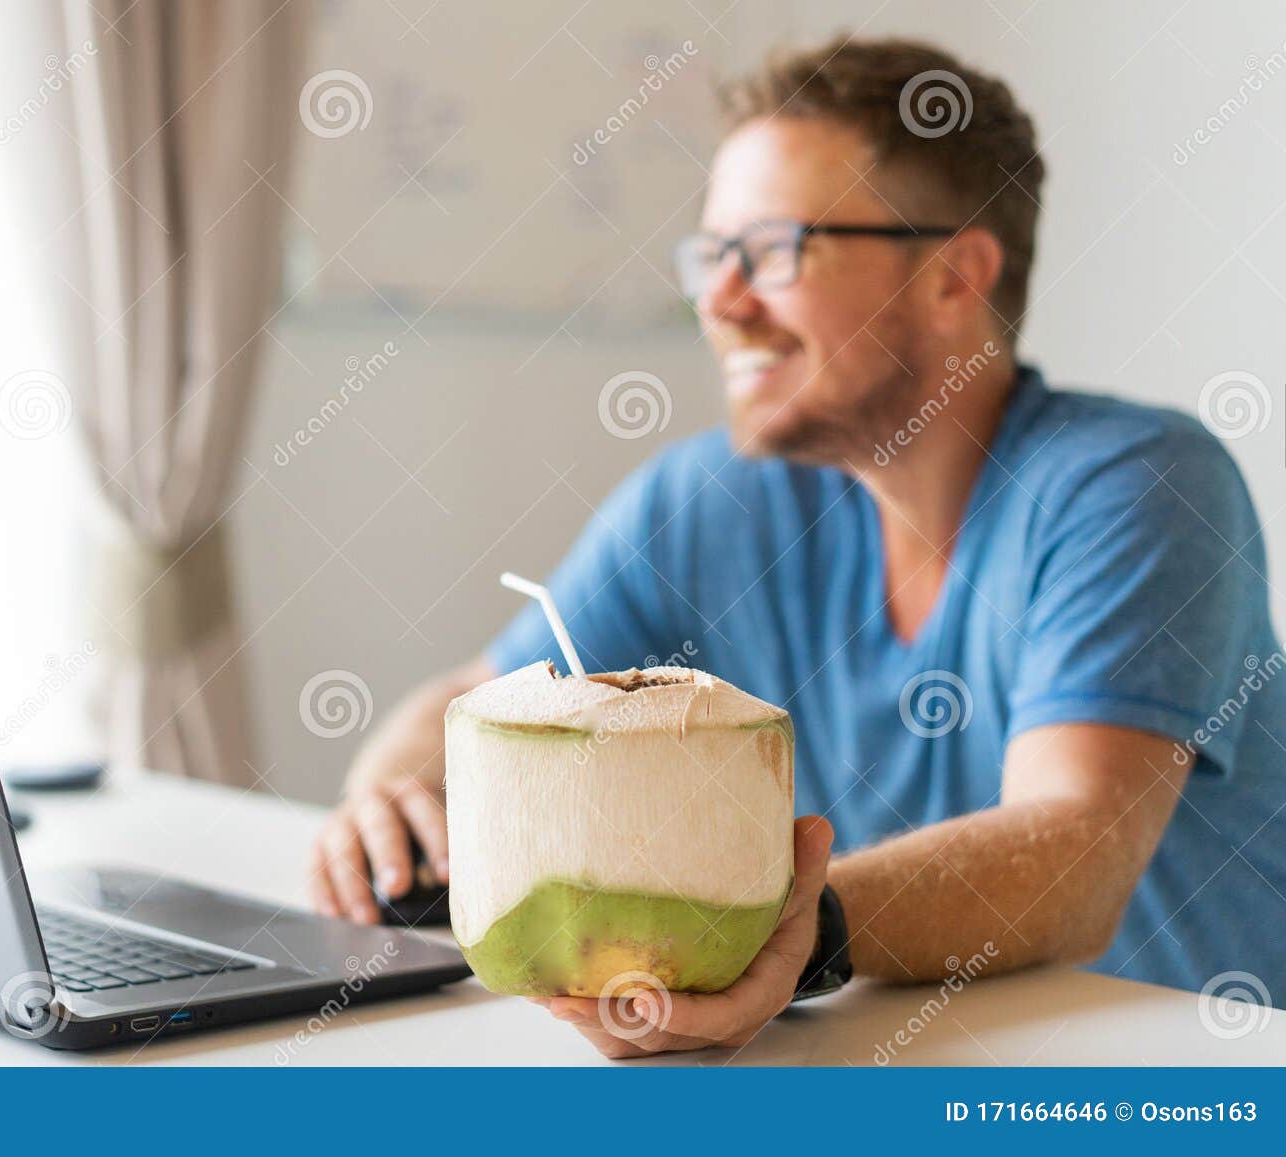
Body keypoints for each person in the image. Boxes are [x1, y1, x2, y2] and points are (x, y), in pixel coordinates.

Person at [307, 36, 1286, 1058]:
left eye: (771, 252)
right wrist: (387, 798)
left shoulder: (1137, 482)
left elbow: (1074, 851)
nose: (718, 301)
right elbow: (486, 687)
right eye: (710, 254)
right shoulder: (713, 500)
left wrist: (796, 931)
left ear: (955, 275)